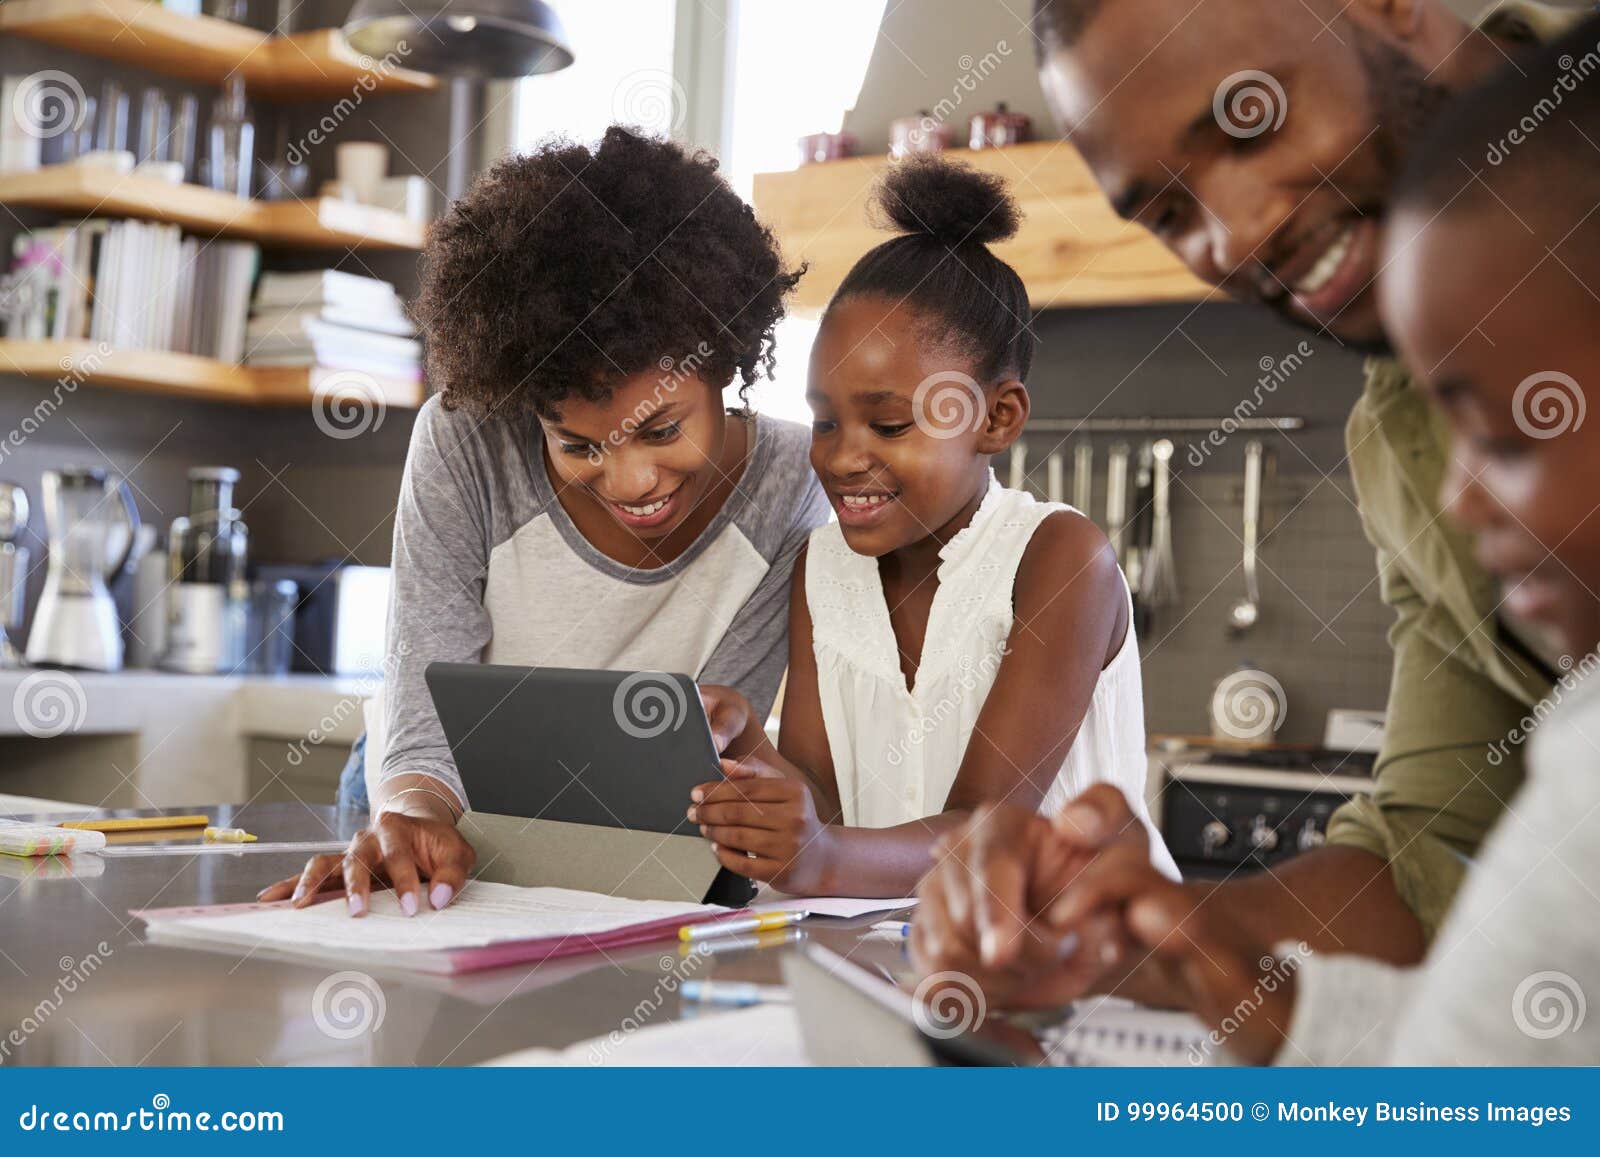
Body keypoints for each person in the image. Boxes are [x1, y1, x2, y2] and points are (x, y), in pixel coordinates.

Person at [908, 0, 1581, 1005]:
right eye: (1171, 212)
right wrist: (1144, 923)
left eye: (1249, 121)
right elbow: (1429, 846)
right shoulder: (1396, 437)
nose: (1239, 233)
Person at [259, 127, 829, 916]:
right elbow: (425, 684)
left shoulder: (791, 483)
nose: (632, 480)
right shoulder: (464, 440)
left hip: (632, 837)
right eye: (578, 444)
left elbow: (700, 760)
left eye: (663, 429)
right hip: (428, 803)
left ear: (725, 364)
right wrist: (415, 816)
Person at [688, 158, 1176, 897]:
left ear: (997, 418)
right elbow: (826, 805)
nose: (844, 456)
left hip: (1094, 970)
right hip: (906, 965)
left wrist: (820, 856)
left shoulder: (1060, 557)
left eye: (888, 423)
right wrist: (748, 743)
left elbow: (988, 827)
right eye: (825, 421)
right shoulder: (821, 567)